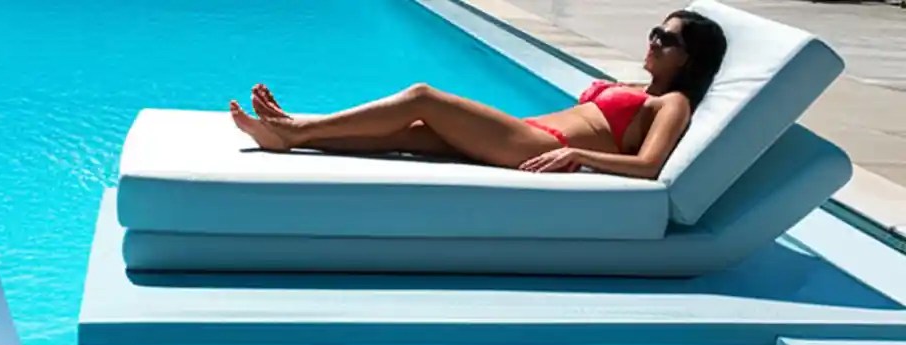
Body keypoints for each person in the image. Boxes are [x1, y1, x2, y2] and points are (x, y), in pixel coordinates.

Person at [230, 10, 727, 179]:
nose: (654, 41)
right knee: (415, 135)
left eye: (668, 40)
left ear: (687, 59)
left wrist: (575, 152)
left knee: (423, 97)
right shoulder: (640, 89)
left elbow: (650, 166)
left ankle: (296, 126)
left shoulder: (672, 103)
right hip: (531, 135)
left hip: (543, 147)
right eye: (655, 31)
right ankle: (290, 141)